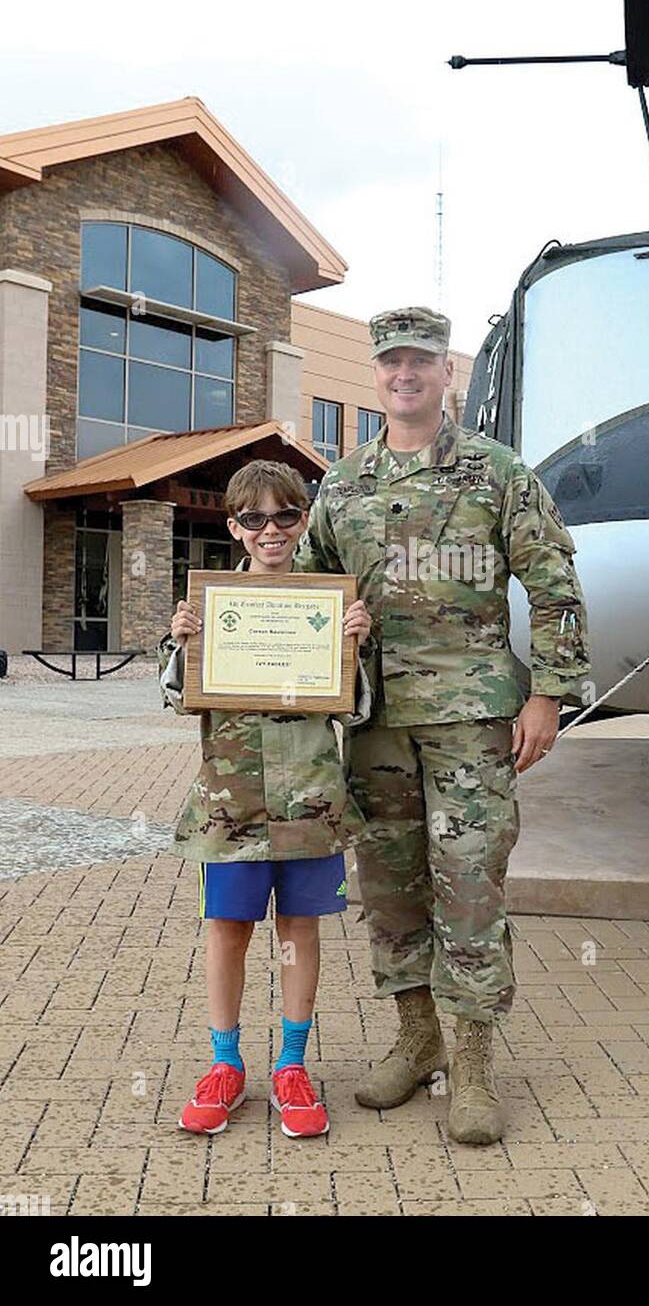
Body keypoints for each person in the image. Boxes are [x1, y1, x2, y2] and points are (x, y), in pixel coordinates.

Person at [294, 306, 590, 1144]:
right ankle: (415, 1036)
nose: (404, 374)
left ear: (445, 372)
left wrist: (550, 694)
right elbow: (306, 590)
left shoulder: (497, 472)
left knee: (469, 885)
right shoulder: (343, 483)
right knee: (390, 889)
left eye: (420, 360)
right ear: (376, 374)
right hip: (377, 723)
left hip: (471, 723)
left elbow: (555, 580)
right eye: (390, 362)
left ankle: (472, 1062)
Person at [157, 459, 371, 1138]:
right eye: (254, 518)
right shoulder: (211, 606)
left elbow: (356, 712)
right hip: (233, 805)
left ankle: (291, 1065)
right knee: (227, 931)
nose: (269, 530)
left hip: (309, 803)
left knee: (299, 930)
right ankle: (226, 1066)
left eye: (284, 516)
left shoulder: (326, 607)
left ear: (302, 521)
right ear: (234, 527)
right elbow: (174, 697)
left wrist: (352, 649)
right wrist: (183, 643)